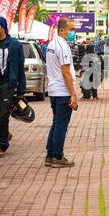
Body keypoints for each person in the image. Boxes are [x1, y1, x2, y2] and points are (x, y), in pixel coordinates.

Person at [0, 16, 26, 157]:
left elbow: (20, 67)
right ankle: (3, 133)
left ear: (3, 27)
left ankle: (0, 144)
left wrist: (21, 89)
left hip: (7, 85)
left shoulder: (15, 45)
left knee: (1, 114)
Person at [45, 18, 78, 168]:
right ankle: (57, 156)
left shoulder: (51, 44)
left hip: (53, 90)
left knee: (56, 123)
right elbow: (66, 72)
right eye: (71, 29)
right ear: (62, 30)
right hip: (62, 90)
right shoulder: (62, 46)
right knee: (61, 125)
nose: (73, 32)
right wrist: (73, 93)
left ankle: (50, 155)